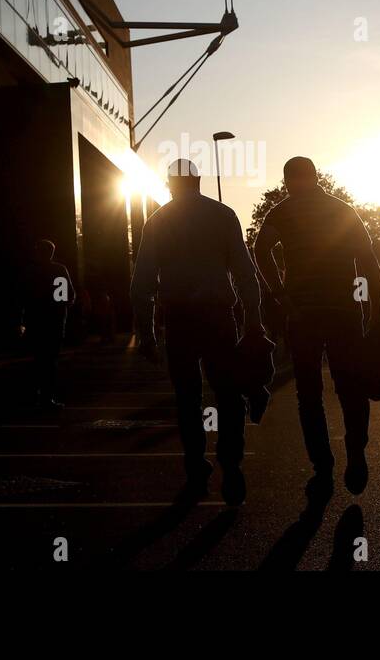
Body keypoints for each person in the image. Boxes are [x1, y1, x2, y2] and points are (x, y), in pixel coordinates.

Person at [130, 159, 265, 505]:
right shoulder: (223, 216)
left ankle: (196, 469)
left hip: (180, 319)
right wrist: (253, 320)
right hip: (219, 317)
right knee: (228, 395)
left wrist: (146, 334)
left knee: (188, 398)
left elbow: (141, 283)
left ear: (170, 184)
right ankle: (231, 465)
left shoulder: (158, 221)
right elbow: (245, 273)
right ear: (199, 180)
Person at [253, 156, 380, 498]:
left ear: (287, 180)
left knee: (309, 394)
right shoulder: (342, 209)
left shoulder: (282, 211)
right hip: (343, 310)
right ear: (316, 177)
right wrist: (376, 309)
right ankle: (355, 452)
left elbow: (260, 248)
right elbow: (369, 261)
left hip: (303, 313)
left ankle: (322, 466)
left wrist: (280, 295)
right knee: (350, 387)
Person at [23, 239, 75, 408]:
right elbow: (67, 297)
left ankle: (32, 395)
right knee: (51, 360)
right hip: (54, 321)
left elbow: (22, 297)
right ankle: (47, 397)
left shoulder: (30, 271)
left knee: (36, 358)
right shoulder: (59, 270)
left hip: (35, 320)